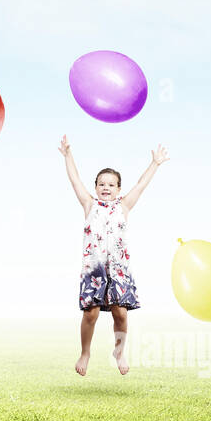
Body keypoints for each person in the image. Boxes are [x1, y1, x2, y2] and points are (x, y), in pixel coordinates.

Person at [58, 136, 168, 376]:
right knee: (91, 313)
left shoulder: (124, 206)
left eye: (111, 184)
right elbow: (75, 180)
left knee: (120, 312)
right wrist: (68, 156)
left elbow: (140, 185)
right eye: (101, 184)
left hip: (118, 269)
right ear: (96, 187)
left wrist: (155, 164)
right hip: (94, 270)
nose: (106, 188)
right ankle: (85, 352)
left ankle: (119, 350)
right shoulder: (89, 205)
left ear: (118, 189)